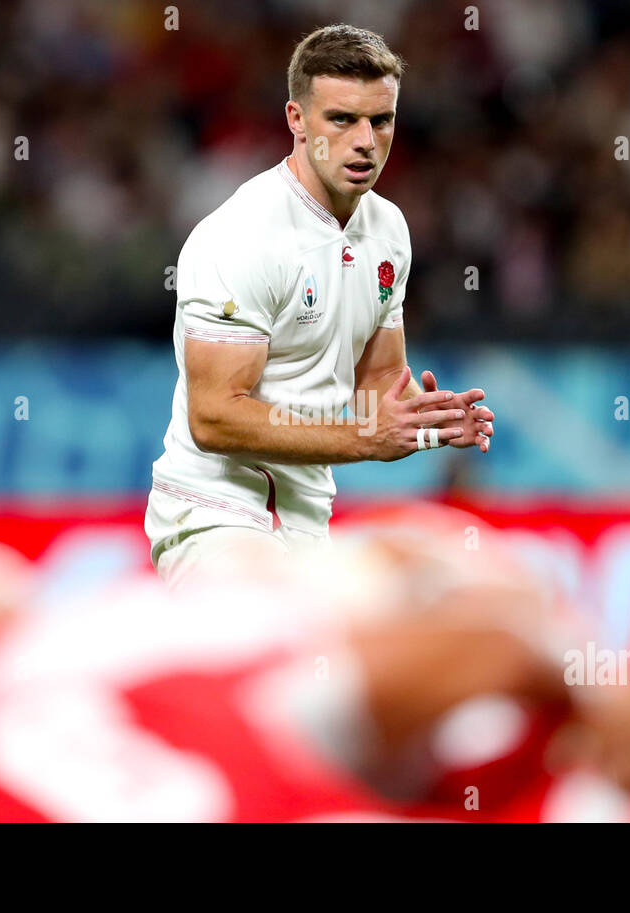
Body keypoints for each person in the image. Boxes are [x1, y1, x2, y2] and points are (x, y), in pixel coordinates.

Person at [144, 24, 495, 588]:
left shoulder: (390, 230)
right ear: (296, 120)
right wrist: (364, 437)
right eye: (342, 119)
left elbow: (377, 384)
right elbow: (212, 416)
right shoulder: (242, 235)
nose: (365, 140)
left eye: (380, 121)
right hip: (215, 519)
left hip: (306, 525)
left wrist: (421, 422)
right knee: (271, 635)